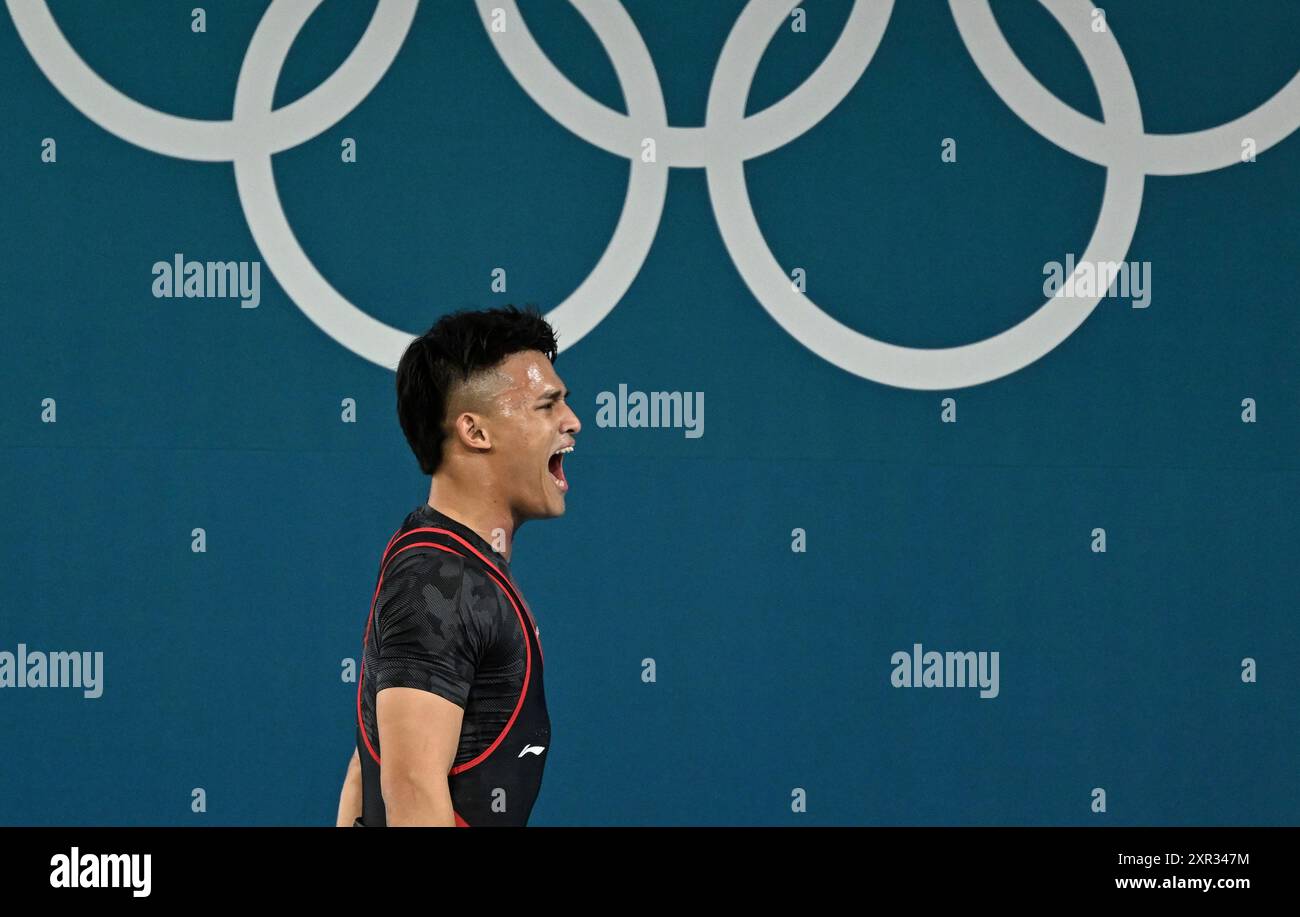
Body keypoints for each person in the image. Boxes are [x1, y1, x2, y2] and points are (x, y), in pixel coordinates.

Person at [335, 304, 580, 826]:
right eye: (546, 405)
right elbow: (410, 789)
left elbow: (367, 768)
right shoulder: (439, 581)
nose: (571, 421)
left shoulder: (439, 556)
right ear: (475, 431)